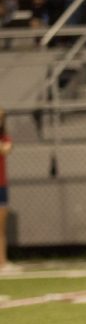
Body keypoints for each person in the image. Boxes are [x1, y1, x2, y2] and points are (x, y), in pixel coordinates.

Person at [0, 108, 11, 270]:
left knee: (1, 227)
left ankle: (2, 261)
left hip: (1, 185)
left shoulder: (5, 138)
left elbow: (5, 149)